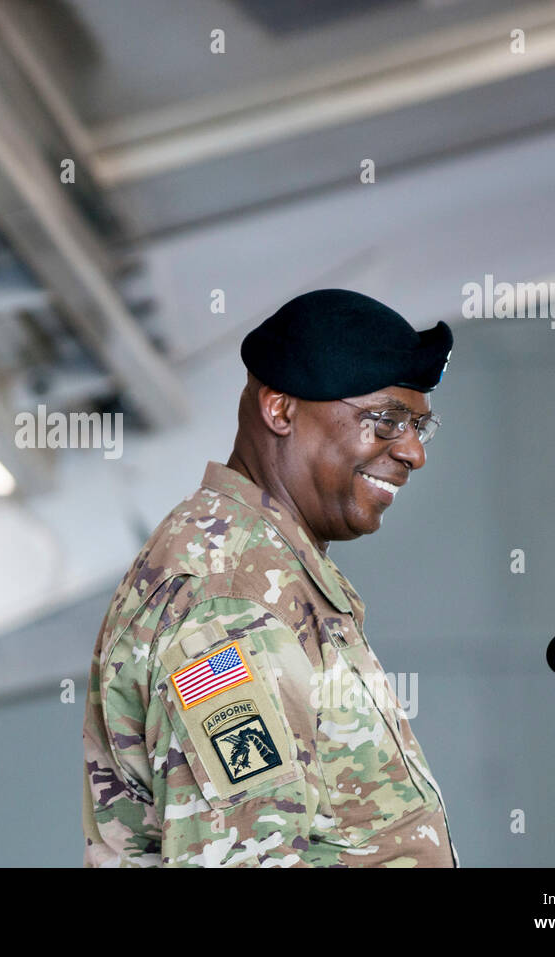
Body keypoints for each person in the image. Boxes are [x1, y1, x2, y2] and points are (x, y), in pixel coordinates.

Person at [82, 288, 459, 867]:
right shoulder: (228, 594)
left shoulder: (267, 570)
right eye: (386, 420)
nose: (412, 452)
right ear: (280, 410)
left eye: (419, 426)